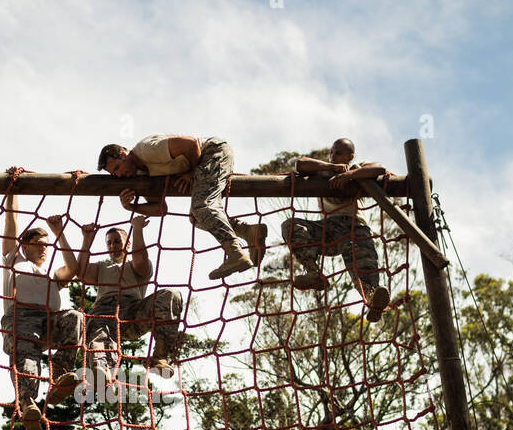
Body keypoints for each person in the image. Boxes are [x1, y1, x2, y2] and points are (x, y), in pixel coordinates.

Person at [98, 135, 266, 281]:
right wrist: (132, 206)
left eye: (117, 168)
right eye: (113, 174)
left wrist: (191, 172)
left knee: (202, 206)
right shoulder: (143, 175)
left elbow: (191, 144)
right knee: (196, 218)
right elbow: (160, 209)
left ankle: (235, 253)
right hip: (204, 163)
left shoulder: (147, 149)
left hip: (213, 152)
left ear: (123, 154)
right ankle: (248, 231)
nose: (118, 175)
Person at [47, 214, 183, 395]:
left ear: (127, 244)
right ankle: (101, 370)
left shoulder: (136, 264)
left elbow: (140, 262)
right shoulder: (103, 266)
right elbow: (82, 273)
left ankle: (160, 356)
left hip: (132, 311)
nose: (113, 246)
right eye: (109, 243)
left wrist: (137, 229)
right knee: (99, 333)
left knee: (172, 294)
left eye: (117, 241)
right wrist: (87, 240)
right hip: (104, 311)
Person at [0, 187, 83, 430]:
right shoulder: (13, 259)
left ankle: (60, 373)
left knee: (75, 317)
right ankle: (28, 404)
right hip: (21, 317)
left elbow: (74, 268)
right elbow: (11, 219)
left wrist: (59, 233)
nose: (44, 249)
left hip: (48, 321)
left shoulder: (52, 276)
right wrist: (14, 189)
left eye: (47, 245)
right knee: (28, 358)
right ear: (25, 245)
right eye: (38, 244)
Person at [280, 137, 391, 321]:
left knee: (364, 266)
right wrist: (331, 168)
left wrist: (350, 175)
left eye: (338, 153)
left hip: (356, 226)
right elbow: (300, 164)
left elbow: (379, 168)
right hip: (329, 230)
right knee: (290, 226)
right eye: (331, 152)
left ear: (350, 156)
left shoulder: (358, 168)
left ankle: (373, 301)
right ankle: (313, 273)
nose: (333, 156)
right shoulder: (322, 172)